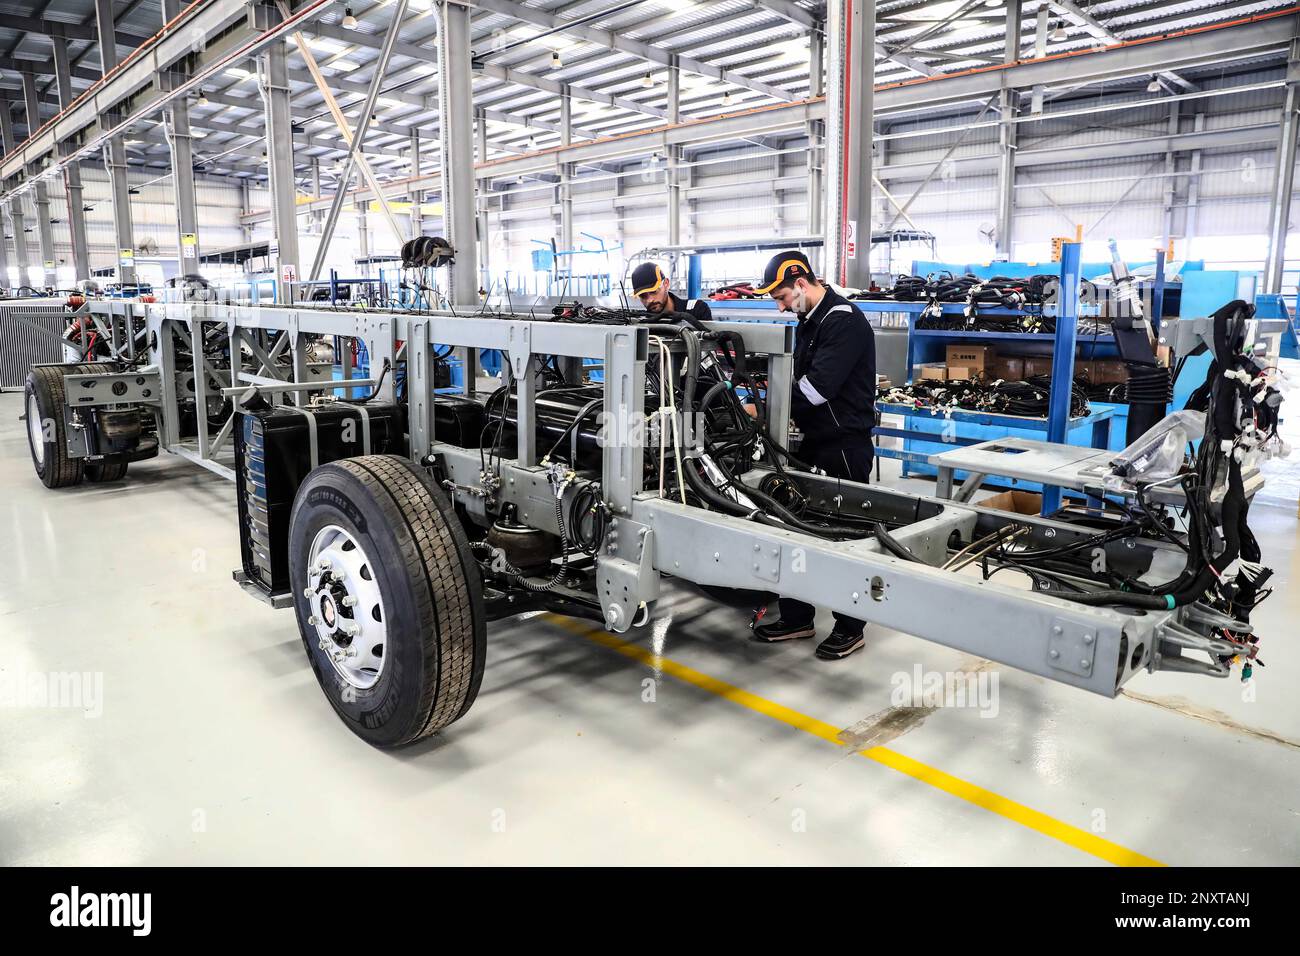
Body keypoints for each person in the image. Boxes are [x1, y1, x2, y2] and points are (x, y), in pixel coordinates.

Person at [750, 250, 877, 660]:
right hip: (813, 440)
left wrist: (764, 407)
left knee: (845, 536)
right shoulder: (811, 320)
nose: (782, 306)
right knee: (795, 524)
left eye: (784, 297)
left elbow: (815, 388)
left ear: (802, 284)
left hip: (844, 445)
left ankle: (850, 625)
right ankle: (797, 616)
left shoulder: (843, 320)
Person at [629, 261, 712, 324]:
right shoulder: (643, 323)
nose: (649, 300)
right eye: (643, 296)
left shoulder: (697, 309)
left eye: (653, 291)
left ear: (666, 284)